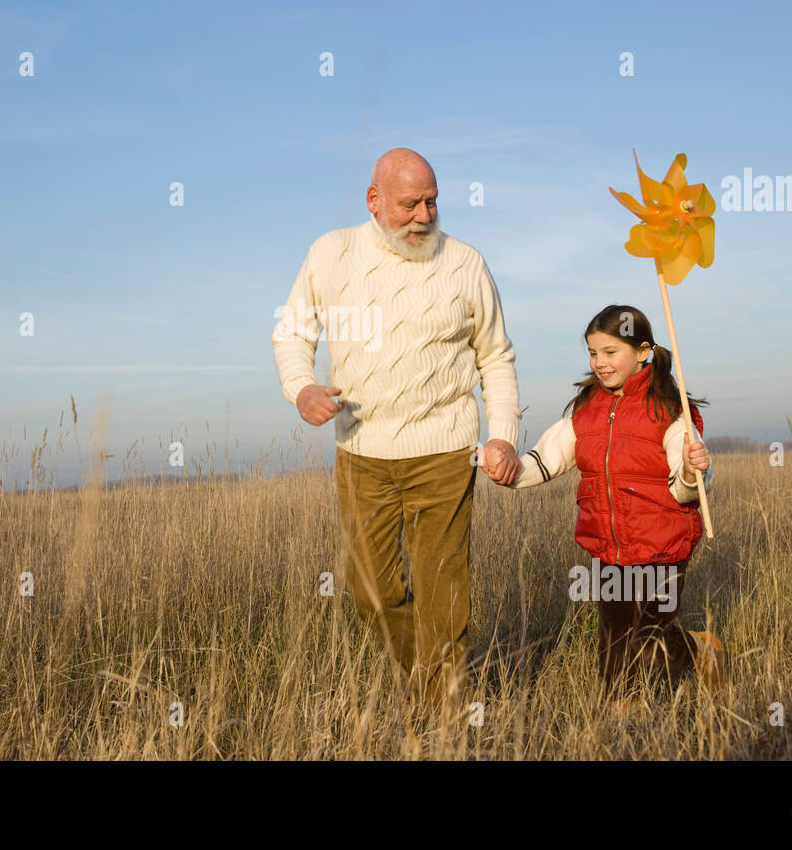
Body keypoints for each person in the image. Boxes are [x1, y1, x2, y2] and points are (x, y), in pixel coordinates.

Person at [271, 147, 522, 722]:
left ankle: (446, 714)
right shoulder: (330, 254)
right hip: (361, 452)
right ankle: (436, 685)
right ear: (374, 201)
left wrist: (503, 434)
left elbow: (496, 356)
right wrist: (302, 388)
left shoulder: (465, 264)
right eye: (411, 204)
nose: (425, 216)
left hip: (445, 451)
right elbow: (291, 334)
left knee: (442, 594)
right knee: (372, 596)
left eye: (433, 201)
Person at [490, 304, 726, 708]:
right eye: (592, 352)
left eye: (610, 352)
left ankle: (701, 652)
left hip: (662, 544)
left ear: (643, 351)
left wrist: (691, 469)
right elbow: (548, 458)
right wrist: (511, 470)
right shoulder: (587, 409)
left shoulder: (671, 409)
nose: (599, 362)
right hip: (608, 547)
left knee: (652, 640)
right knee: (615, 635)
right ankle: (622, 708)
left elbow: (685, 488)